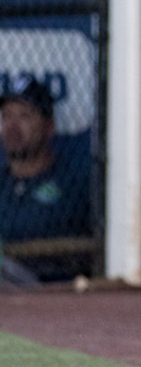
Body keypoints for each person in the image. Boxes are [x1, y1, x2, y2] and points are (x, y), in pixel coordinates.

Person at [0, 75, 92, 284]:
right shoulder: (2, 182)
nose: (12, 127)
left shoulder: (72, 183)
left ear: (49, 127)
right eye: (6, 116)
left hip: (50, 288)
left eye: (25, 117)